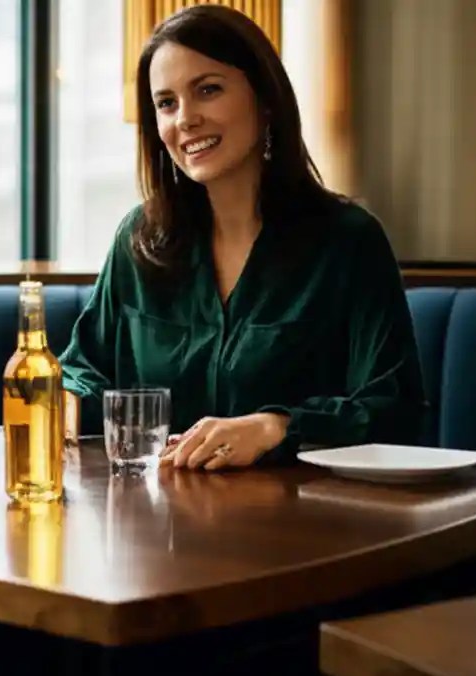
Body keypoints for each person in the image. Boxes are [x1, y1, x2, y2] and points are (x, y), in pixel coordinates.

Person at [60, 5, 426, 471]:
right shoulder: (139, 241)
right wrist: (64, 402)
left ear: (266, 99)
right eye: (167, 103)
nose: (186, 119)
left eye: (208, 90)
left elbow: (395, 409)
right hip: (156, 525)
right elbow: (81, 369)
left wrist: (276, 426)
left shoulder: (348, 242)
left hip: (307, 525)